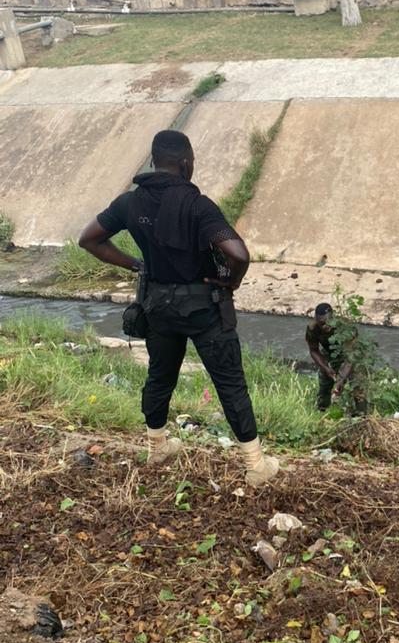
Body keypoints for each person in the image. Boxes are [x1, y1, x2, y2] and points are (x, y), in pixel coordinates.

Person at [77, 129, 278, 486]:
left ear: (154, 161)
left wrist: (135, 264)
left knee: (160, 375)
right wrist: (228, 280)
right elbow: (237, 253)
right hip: (204, 308)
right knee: (229, 382)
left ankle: (157, 447)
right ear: (186, 164)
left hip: (157, 306)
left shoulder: (129, 204)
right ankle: (255, 465)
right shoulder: (199, 206)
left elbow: (89, 239)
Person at [305, 302, 368, 415]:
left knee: (357, 382)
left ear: (333, 317)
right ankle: (322, 411)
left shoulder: (345, 327)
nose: (326, 327)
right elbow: (313, 350)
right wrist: (325, 368)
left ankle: (361, 414)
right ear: (316, 320)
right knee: (324, 381)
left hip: (351, 353)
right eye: (322, 324)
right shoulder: (312, 328)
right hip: (330, 352)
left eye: (329, 322)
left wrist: (341, 379)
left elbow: (350, 357)